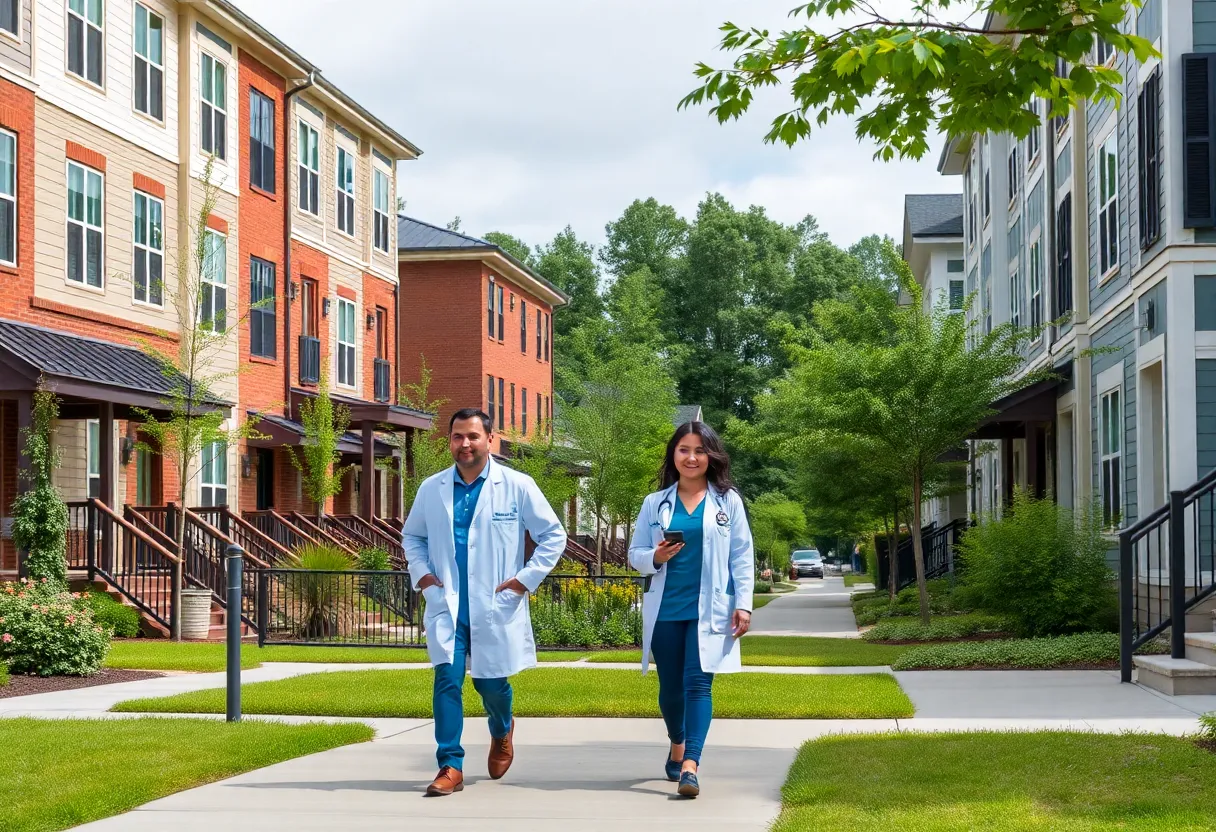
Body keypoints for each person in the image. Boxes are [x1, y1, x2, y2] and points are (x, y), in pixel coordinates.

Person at [403, 408, 567, 797]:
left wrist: (525, 580)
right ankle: (450, 764)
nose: (465, 444)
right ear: (450, 441)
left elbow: (553, 536)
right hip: (447, 602)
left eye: (473, 436)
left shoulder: (517, 485)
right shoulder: (432, 488)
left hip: (495, 603)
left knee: (491, 684)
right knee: (446, 679)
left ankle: (502, 726)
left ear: (489, 440)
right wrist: (423, 576)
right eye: (458, 436)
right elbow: (413, 537)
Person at [628, 421, 754, 799]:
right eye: (684, 449)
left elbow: (741, 555)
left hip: (709, 611)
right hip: (667, 608)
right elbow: (635, 555)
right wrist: (656, 555)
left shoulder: (727, 500)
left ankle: (690, 765)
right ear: (674, 454)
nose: (692, 457)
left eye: (700, 450)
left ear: (710, 456)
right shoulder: (655, 503)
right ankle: (677, 741)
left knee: (698, 684)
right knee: (670, 691)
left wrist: (743, 604)